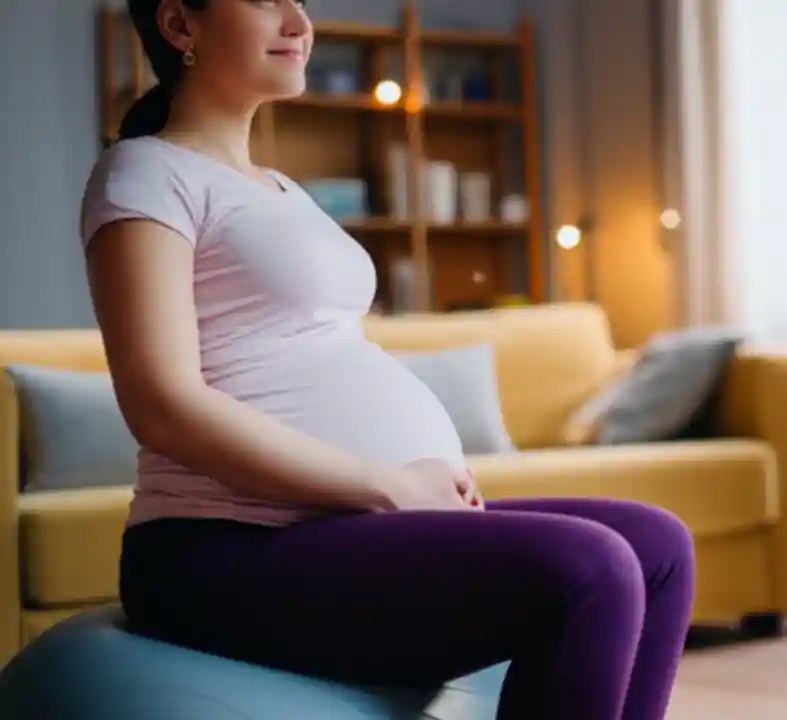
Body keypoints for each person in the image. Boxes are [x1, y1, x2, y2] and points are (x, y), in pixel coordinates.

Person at [79, 1, 695, 718]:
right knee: (591, 568)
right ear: (181, 25)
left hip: (344, 529)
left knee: (657, 546)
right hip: (225, 546)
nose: (298, 21)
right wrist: (386, 483)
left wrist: (407, 485)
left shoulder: (281, 190)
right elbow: (162, 405)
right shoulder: (144, 172)